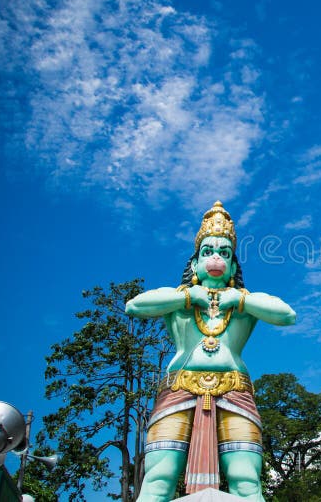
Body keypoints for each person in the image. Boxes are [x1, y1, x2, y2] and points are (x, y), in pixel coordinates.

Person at [126, 201, 296, 501]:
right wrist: (188, 296)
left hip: (235, 391)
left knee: (246, 482)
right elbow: (134, 306)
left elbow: (286, 315)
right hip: (178, 388)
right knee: (158, 480)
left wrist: (239, 301)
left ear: (232, 266)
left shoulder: (244, 301)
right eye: (207, 252)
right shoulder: (178, 299)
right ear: (194, 265)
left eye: (224, 253)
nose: (215, 257)